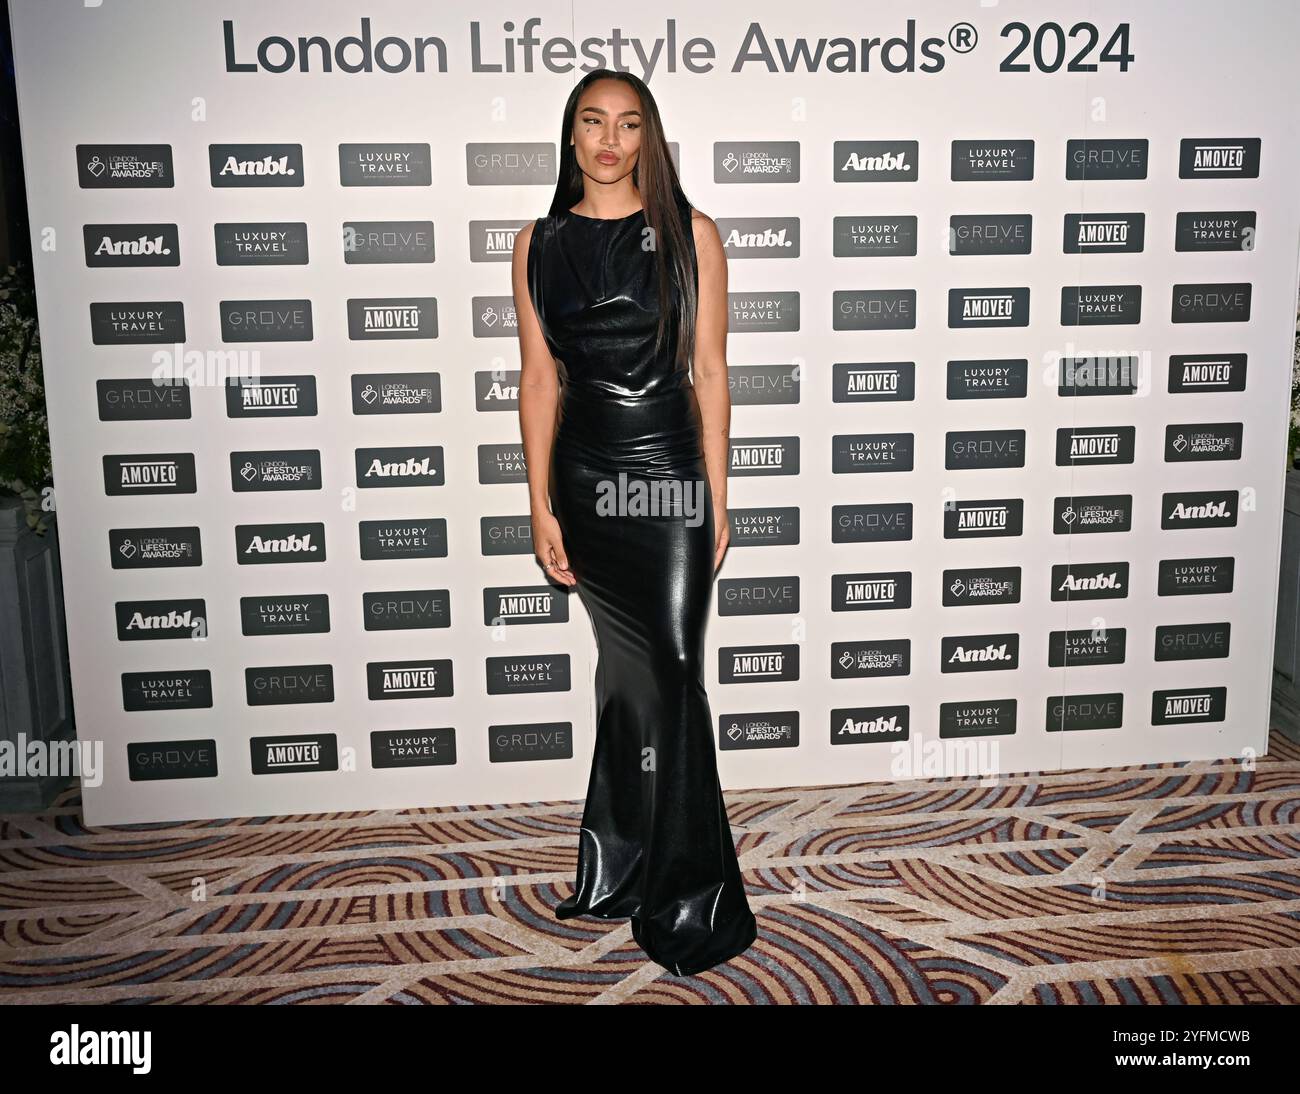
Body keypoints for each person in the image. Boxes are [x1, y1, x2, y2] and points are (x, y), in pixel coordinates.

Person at [510, 69, 759, 976]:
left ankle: (691, 897)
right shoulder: (536, 242)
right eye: (592, 122)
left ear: (647, 137)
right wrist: (539, 501)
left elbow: (713, 373)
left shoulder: (691, 235)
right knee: (625, 679)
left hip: (666, 479)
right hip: (585, 477)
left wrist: (718, 497)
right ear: (571, 137)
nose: (610, 140)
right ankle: (619, 863)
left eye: (628, 124)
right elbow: (540, 381)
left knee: (675, 673)